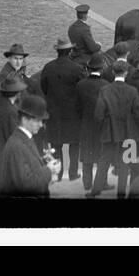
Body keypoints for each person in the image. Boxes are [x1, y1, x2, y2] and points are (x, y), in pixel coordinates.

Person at [95, 59, 139, 198]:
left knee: (104, 161)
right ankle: (121, 193)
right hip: (129, 131)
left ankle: (96, 190)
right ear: (126, 73)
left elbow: (98, 114)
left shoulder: (104, 90)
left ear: (112, 72)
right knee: (125, 164)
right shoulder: (133, 91)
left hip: (109, 130)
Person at [0, 93, 63, 196]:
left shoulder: (24, 137)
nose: (41, 125)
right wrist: (48, 170)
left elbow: (27, 167)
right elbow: (25, 184)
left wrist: (43, 161)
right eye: (37, 121)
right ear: (24, 120)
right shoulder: (16, 145)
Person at [39, 38, 84, 180]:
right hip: (73, 113)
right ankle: (73, 173)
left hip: (54, 112)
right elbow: (81, 89)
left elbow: (44, 88)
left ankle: (58, 173)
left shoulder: (48, 67)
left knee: (56, 144)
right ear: (70, 51)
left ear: (57, 51)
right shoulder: (77, 68)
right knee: (74, 144)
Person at [76, 53, 108, 194]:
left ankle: (87, 183)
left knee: (87, 154)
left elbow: (77, 107)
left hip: (86, 123)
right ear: (101, 69)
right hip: (101, 126)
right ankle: (102, 183)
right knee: (102, 155)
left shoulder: (80, 84)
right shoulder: (106, 85)